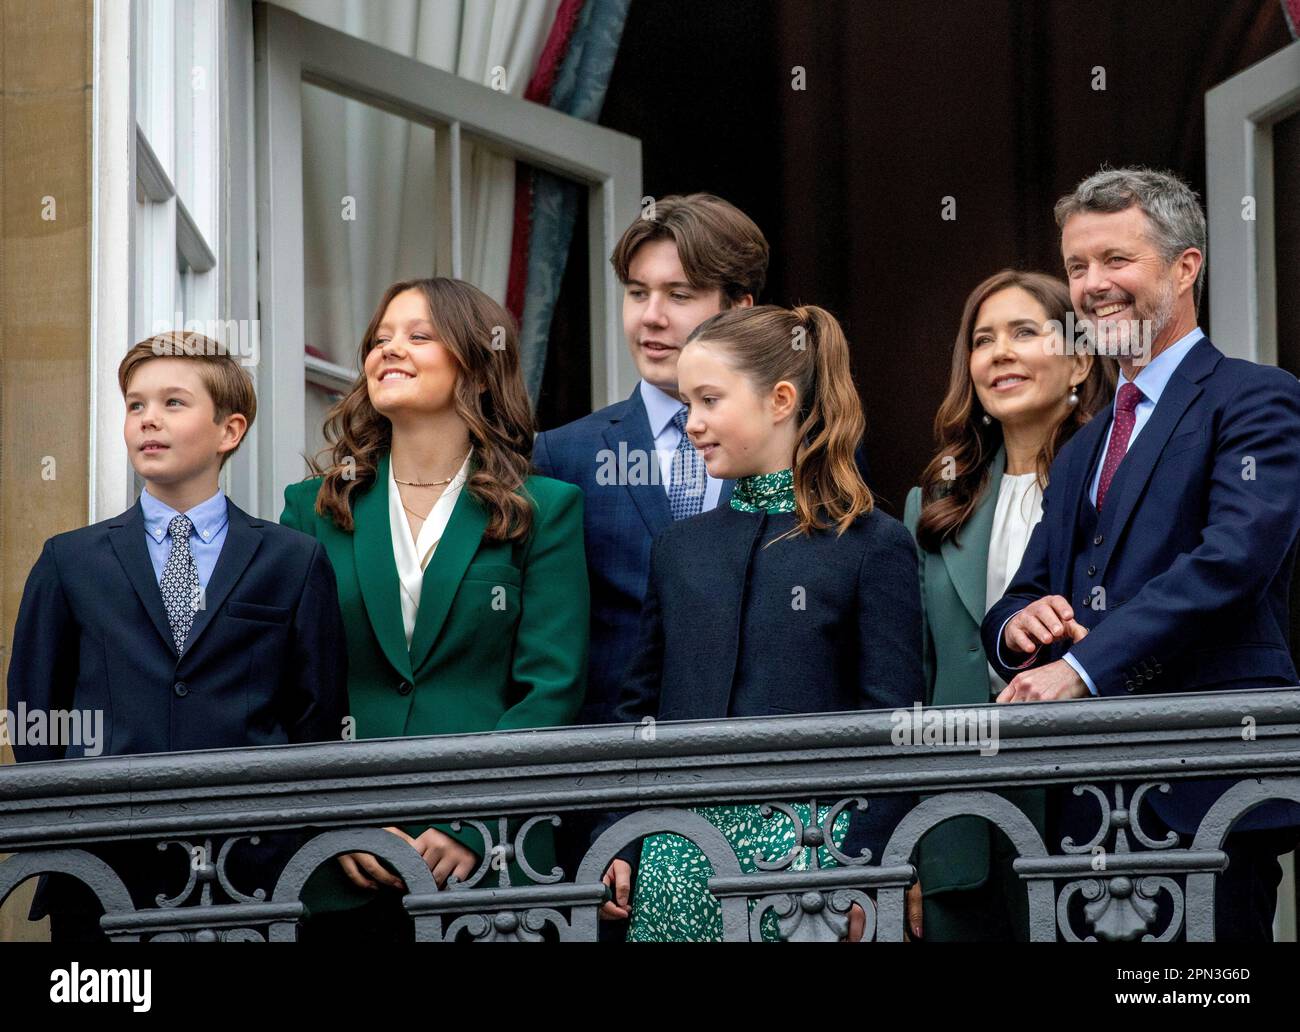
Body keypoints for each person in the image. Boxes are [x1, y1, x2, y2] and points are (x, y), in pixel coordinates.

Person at [981, 166, 1300, 941]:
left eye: (1116, 260)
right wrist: (1020, 627)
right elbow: (1022, 592)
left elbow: (1233, 560)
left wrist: (1082, 668)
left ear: (1185, 266)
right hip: (1083, 805)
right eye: (1078, 265)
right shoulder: (1086, 442)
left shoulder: (1256, 397)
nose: (1092, 285)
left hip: (1207, 794)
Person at [7, 331, 348, 942]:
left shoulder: (292, 561)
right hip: (102, 872)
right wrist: (75, 822)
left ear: (229, 431)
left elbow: (316, 717)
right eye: (135, 405)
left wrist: (280, 839)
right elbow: (36, 713)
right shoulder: (70, 560)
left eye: (173, 403)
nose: (147, 421)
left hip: (252, 876)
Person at [600, 304, 924, 941]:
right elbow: (637, 712)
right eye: (686, 403)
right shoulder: (678, 546)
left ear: (780, 400)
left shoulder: (871, 543)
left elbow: (893, 722)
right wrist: (624, 835)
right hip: (676, 856)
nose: (691, 423)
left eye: (709, 400)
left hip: (814, 858)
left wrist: (865, 862)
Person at [281, 277, 589, 940]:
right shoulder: (310, 510)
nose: (390, 349)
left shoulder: (547, 510)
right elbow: (292, 693)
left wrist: (471, 823)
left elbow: (550, 691)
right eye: (380, 339)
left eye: (419, 336)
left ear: (477, 365)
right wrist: (342, 820)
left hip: (494, 867)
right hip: (341, 873)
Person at [903, 269, 1113, 941]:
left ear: (1080, 358)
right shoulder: (932, 503)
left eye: (1025, 332)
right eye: (983, 339)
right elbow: (913, 679)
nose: (1000, 353)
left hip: (1093, 812)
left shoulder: (1122, 489)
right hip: (960, 827)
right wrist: (906, 848)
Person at [532, 193, 768, 729]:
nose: (651, 317)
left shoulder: (802, 450)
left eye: (679, 295)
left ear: (738, 310)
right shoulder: (563, 455)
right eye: (637, 293)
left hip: (764, 767)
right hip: (614, 773)